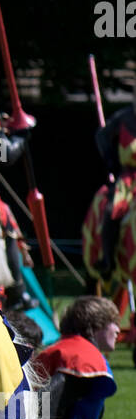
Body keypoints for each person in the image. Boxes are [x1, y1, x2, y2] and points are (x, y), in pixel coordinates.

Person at [95, 82, 136, 278]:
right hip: (129, 179)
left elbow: (3, 155)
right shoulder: (124, 117)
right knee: (112, 210)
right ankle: (108, 260)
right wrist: (112, 161)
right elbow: (102, 137)